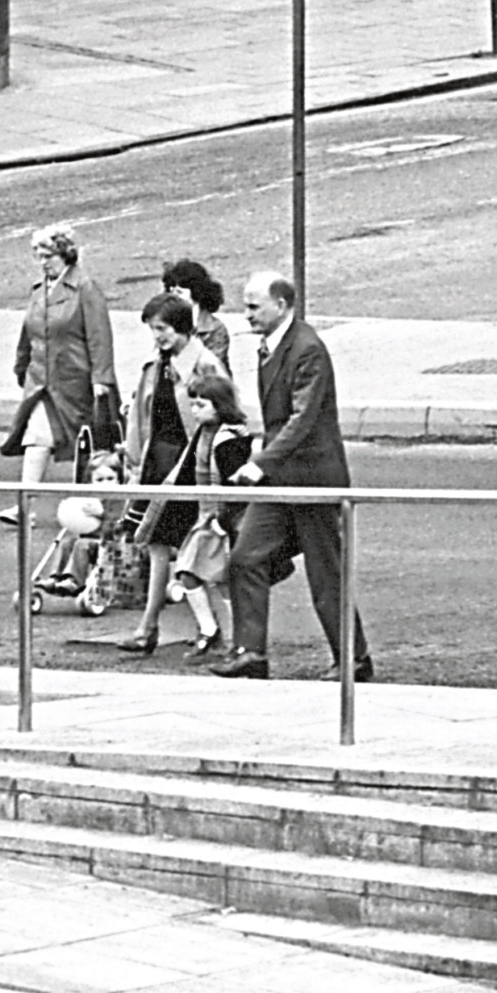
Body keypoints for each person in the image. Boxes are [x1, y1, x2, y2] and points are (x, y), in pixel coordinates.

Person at [217, 272, 369, 683]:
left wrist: (260, 463)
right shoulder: (272, 346)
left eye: (253, 306)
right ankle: (250, 652)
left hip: (313, 479)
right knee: (246, 557)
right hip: (281, 480)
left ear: (280, 305)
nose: (246, 314)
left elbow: (302, 419)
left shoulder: (307, 349)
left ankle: (353, 658)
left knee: (325, 573)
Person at [118, 293, 243, 655]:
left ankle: (230, 633)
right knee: (159, 545)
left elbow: (227, 407)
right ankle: (151, 626)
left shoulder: (204, 364)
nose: (157, 336)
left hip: (192, 465)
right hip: (160, 463)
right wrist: (134, 459)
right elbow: (141, 417)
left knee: (203, 549)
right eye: (153, 330)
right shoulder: (156, 366)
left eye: (163, 329)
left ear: (183, 328)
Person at [0, 223, 118, 528]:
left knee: (90, 446)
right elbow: (29, 332)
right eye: (39, 255)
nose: (43, 261)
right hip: (42, 382)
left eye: (48, 255)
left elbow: (99, 336)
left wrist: (101, 379)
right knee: (37, 438)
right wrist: (21, 366)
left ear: (65, 253)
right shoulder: (39, 291)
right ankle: (25, 506)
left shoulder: (85, 289)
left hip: (75, 382)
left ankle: (99, 505)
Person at [161, 258, 233, 368]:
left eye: (179, 292)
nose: (173, 298)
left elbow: (210, 369)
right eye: (171, 292)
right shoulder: (168, 326)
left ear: (196, 292)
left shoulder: (215, 329)